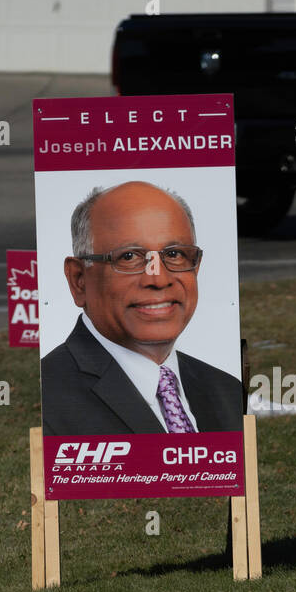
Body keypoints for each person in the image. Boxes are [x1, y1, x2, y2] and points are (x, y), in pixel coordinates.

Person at [40, 181, 243, 436]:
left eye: (174, 254)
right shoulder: (46, 401)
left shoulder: (226, 391)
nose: (158, 279)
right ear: (79, 280)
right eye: (129, 257)